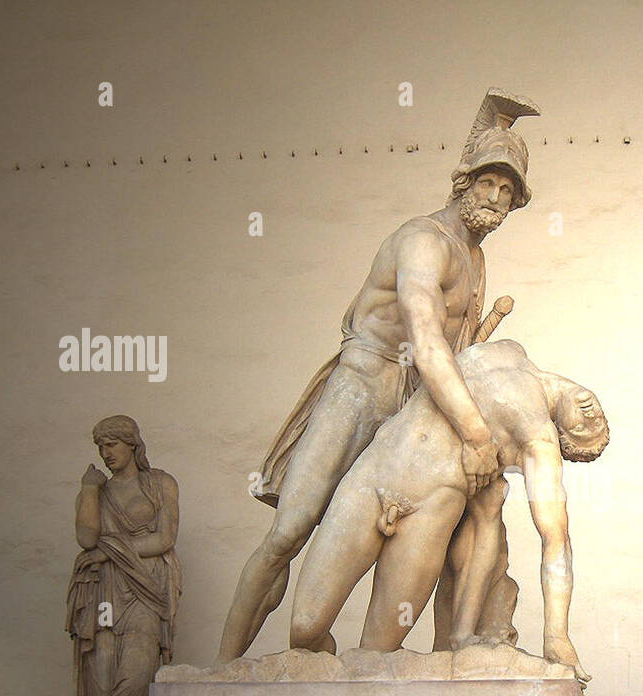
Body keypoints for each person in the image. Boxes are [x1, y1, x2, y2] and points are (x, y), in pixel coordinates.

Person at [216, 89, 539, 663]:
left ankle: (453, 651)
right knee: (291, 530)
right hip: (363, 385)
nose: (494, 197)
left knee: (463, 511)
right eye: (488, 182)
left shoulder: (475, 259)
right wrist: (476, 433)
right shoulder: (423, 243)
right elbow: (428, 341)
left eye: (507, 190)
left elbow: (453, 353)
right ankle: (222, 669)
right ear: (464, 181)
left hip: (415, 403)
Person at [289, 339, 608, 682]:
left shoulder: (537, 441)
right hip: (372, 478)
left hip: (426, 518)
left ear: (561, 436)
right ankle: (319, 690)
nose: (591, 418)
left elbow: (555, 538)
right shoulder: (512, 349)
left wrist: (556, 634)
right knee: (305, 628)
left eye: (584, 431)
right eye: (600, 420)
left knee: (374, 658)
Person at [66, 416, 180, 696]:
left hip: (145, 590)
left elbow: (164, 539)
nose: (106, 453)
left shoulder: (161, 484)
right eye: (101, 447)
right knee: (102, 684)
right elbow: (86, 537)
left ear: (132, 444)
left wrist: (109, 550)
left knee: (137, 674)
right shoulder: (98, 491)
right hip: (103, 592)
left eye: (113, 444)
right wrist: (88, 489)